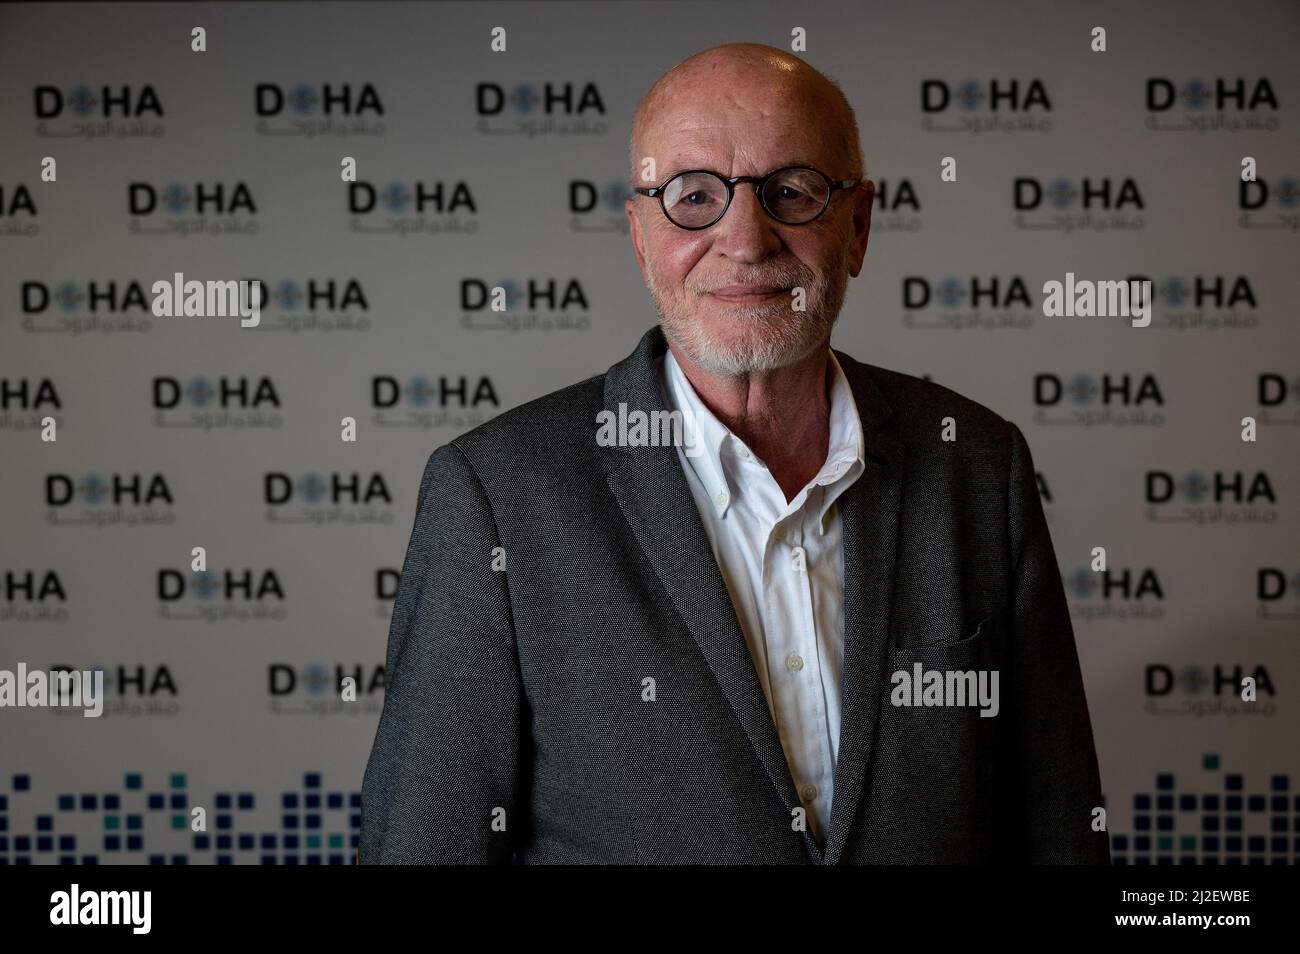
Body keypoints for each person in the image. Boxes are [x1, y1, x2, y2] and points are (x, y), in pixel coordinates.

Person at [360, 42, 1109, 864]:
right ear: (642, 238)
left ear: (857, 227)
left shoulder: (977, 465)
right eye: (693, 197)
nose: (745, 239)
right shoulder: (498, 493)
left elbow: (1057, 826)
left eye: (791, 191)